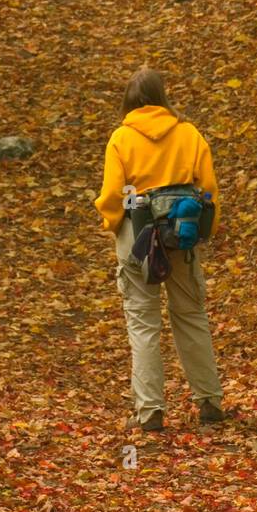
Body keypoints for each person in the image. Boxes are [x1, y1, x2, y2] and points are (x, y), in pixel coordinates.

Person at [95, 66, 225, 432]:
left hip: (137, 237)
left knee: (143, 322)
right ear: (163, 97)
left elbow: (111, 197)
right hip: (182, 237)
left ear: (128, 103)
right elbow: (209, 189)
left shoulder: (121, 139)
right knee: (191, 315)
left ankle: (151, 410)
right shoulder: (189, 134)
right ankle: (209, 400)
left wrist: (110, 224)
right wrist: (204, 232)